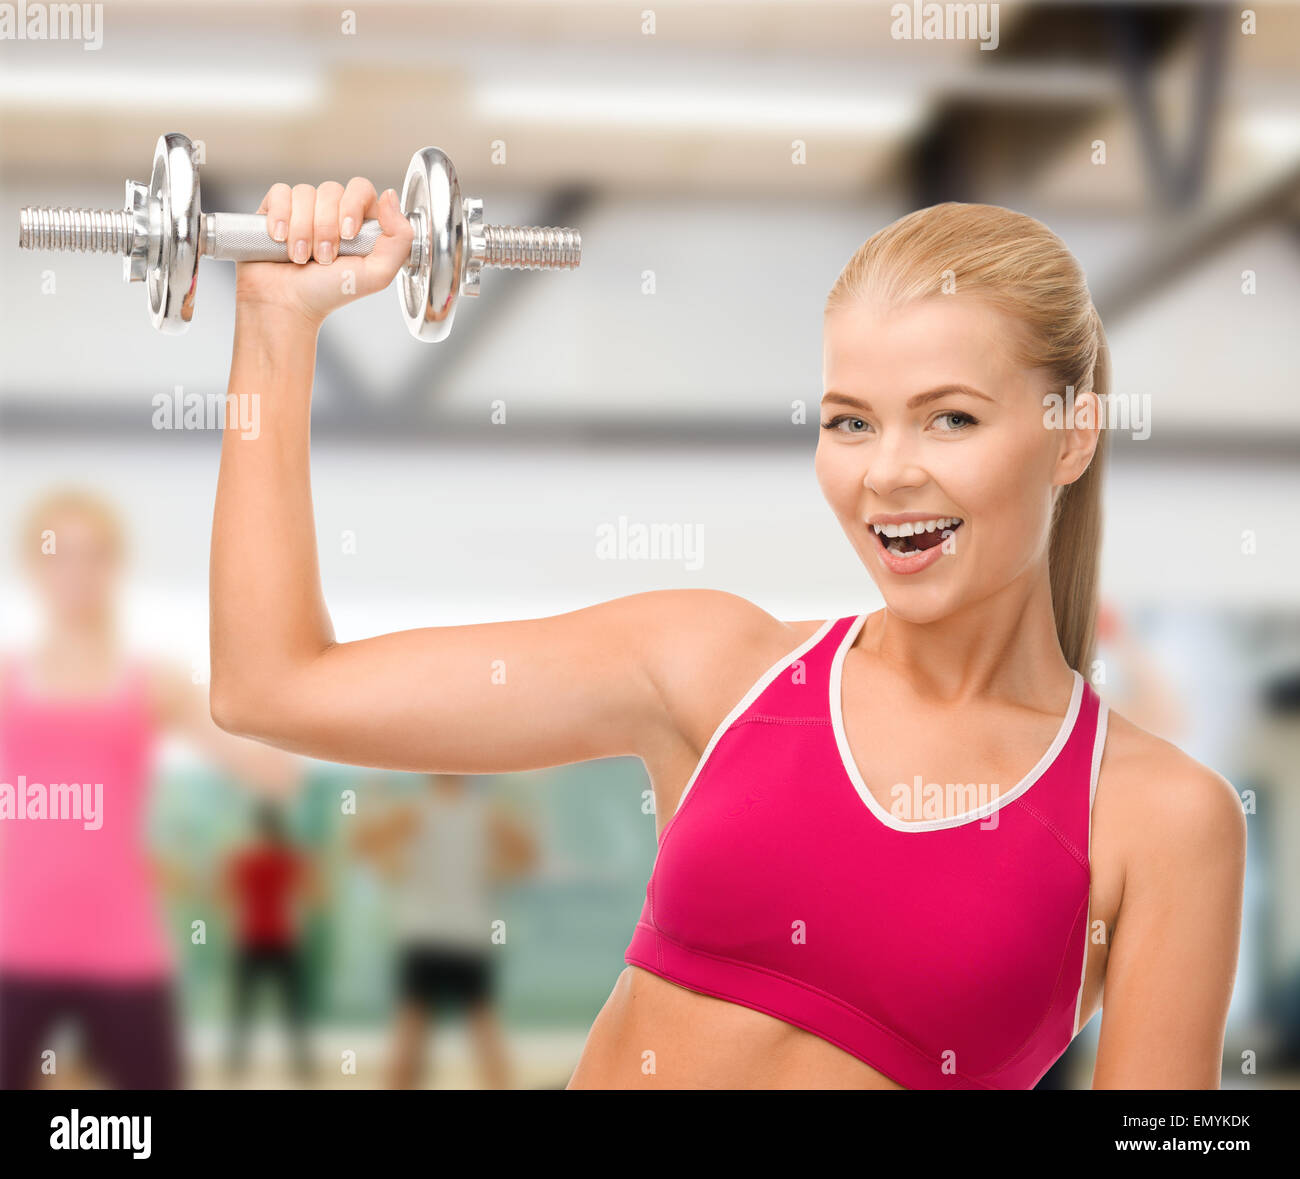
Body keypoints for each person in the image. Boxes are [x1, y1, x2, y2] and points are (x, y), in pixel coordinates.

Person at [210, 186, 1246, 1089]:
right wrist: (274, 321)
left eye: (950, 419)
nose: (886, 473)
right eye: (849, 421)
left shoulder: (1159, 821)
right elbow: (273, 686)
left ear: (1070, 434)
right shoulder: (714, 669)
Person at [0, 489, 301, 1090]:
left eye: (95, 556)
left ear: (117, 568)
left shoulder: (153, 683)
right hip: (14, 944)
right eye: (59, 555)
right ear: (33, 566)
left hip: (122, 947)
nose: (77, 573)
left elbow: (274, 771)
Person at [351, 774, 536, 1089]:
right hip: (468, 938)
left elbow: (362, 844)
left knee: (411, 1038)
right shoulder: (487, 813)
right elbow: (526, 857)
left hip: (424, 937)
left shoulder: (413, 811)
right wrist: (496, 871)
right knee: (483, 1036)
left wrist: (372, 795)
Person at [222, 798, 323, 1085]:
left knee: (243, 1008)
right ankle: (303, 1068)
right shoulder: (289, 859)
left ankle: (235, 1066)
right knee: (294, 1009)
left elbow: (224, 896)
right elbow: (317, 896)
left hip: (250, 940)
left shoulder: (245, 860)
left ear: (258, 829)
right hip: (282, 941)